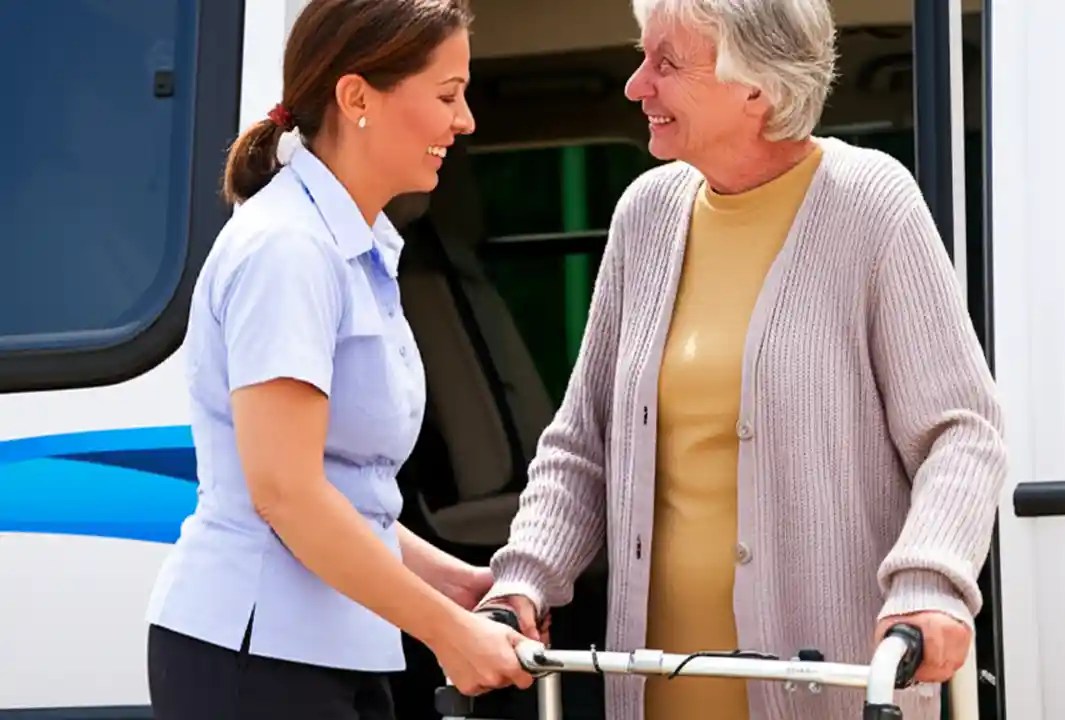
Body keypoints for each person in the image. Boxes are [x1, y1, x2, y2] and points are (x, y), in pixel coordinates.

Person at [475, 0, 1008, 718]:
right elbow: (582, 445)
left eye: (666, 63)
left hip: (833, 693)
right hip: (657, 687)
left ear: (757, 87)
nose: (637, 85)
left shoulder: (871, 205)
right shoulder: (646, 215)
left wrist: (930, 583)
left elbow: (961, 431)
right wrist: (522, 582)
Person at [143, 1, 535, 717]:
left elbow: (352, 496)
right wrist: (448, 632)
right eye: (448, 95)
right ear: (356, 98)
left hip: (320, 654)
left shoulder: (349, 247)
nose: (466, 120)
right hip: (256, 661)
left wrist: (457, 586)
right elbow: (287, 494)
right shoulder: (288, 250)